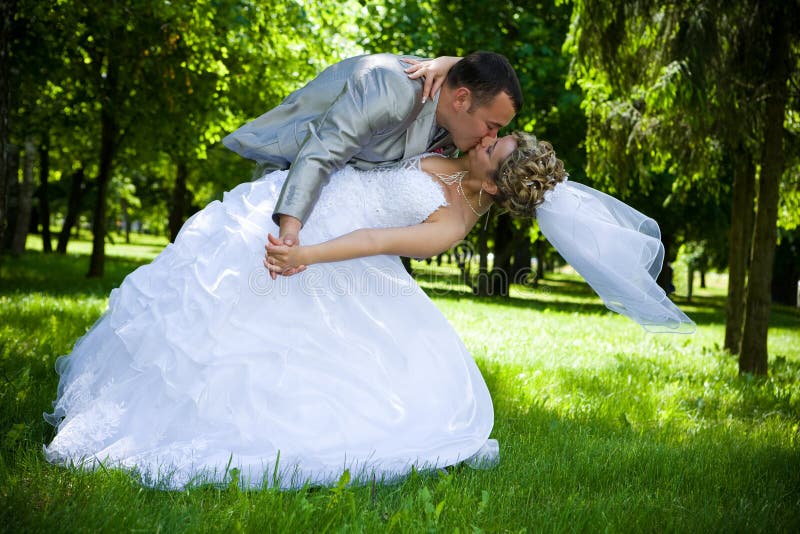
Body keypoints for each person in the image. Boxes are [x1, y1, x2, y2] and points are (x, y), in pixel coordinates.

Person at [44, 130, 694, 490]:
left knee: (241, 343)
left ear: (494, 184)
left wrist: (308, 254)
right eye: (497, 134)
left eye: (496, 148)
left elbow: (378, 241)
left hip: (318, 243)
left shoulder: (450, 223)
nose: (488, 138)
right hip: (296, 197)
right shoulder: (455, 138)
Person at [223, 52, 522, 276]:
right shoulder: (389, 89)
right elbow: (322, 151)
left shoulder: (458, 124)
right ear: (461, 100)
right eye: (491, 126)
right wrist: (290, 232)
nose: (491, 137)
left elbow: (483, 71)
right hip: (293, 174)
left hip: (347, 233)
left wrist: (450, 62)